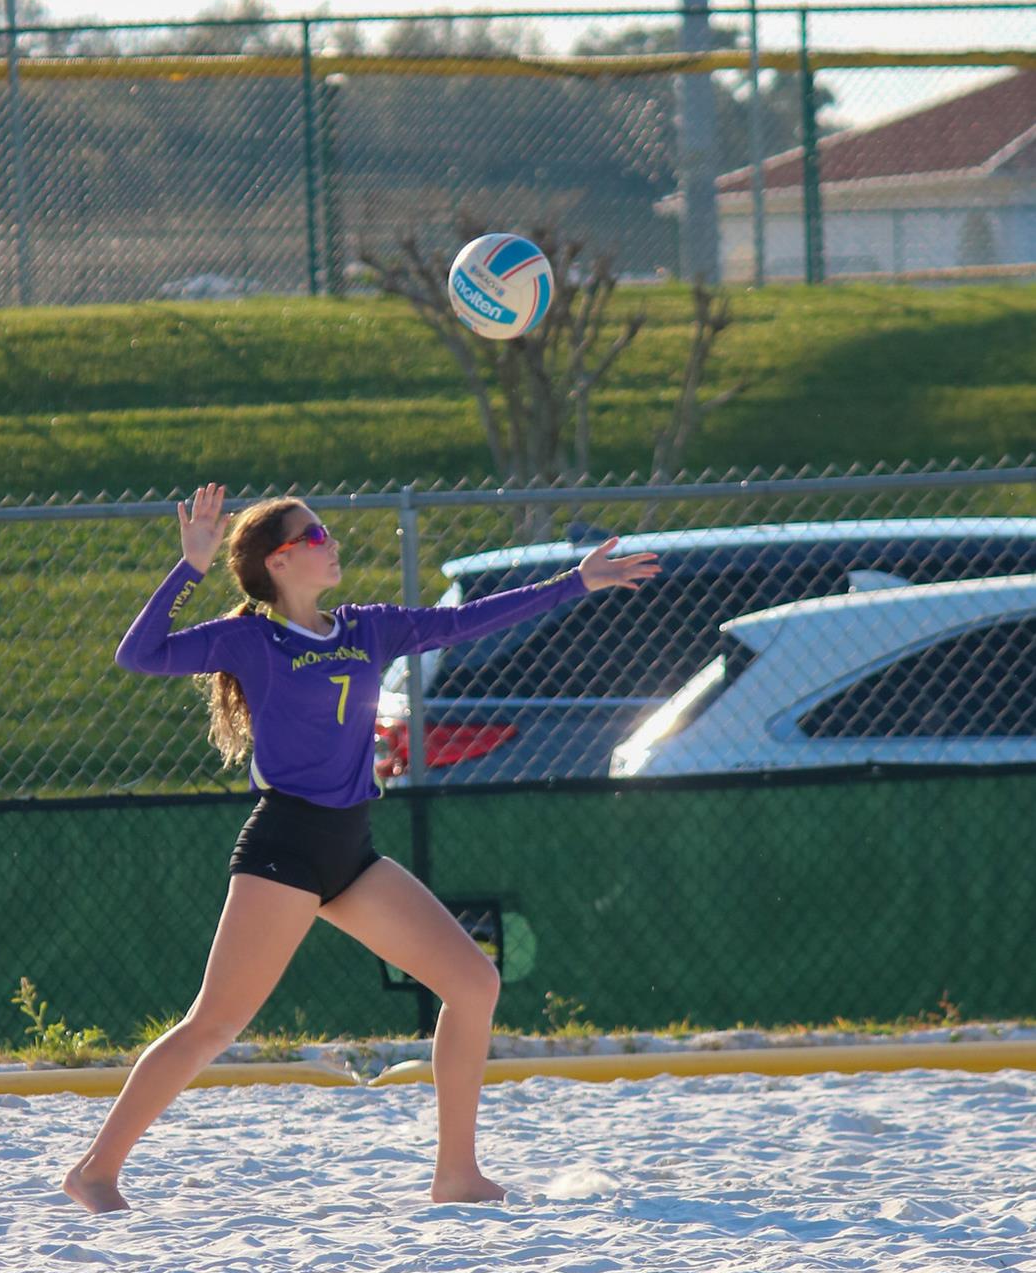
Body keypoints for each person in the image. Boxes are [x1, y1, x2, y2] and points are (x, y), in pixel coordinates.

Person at [63, 485, 660, 1213]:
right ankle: (96, 1171)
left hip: (350, 850)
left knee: (473, 985)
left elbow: (463, 622)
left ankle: (456, 1175)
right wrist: (190, 567)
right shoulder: (253, 639)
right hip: (284, 845)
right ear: (281, 562)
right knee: (213, 1023)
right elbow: (139, 654)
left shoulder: (365, 630)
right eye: (316, 536)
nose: (332, 541)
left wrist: (573, 583)